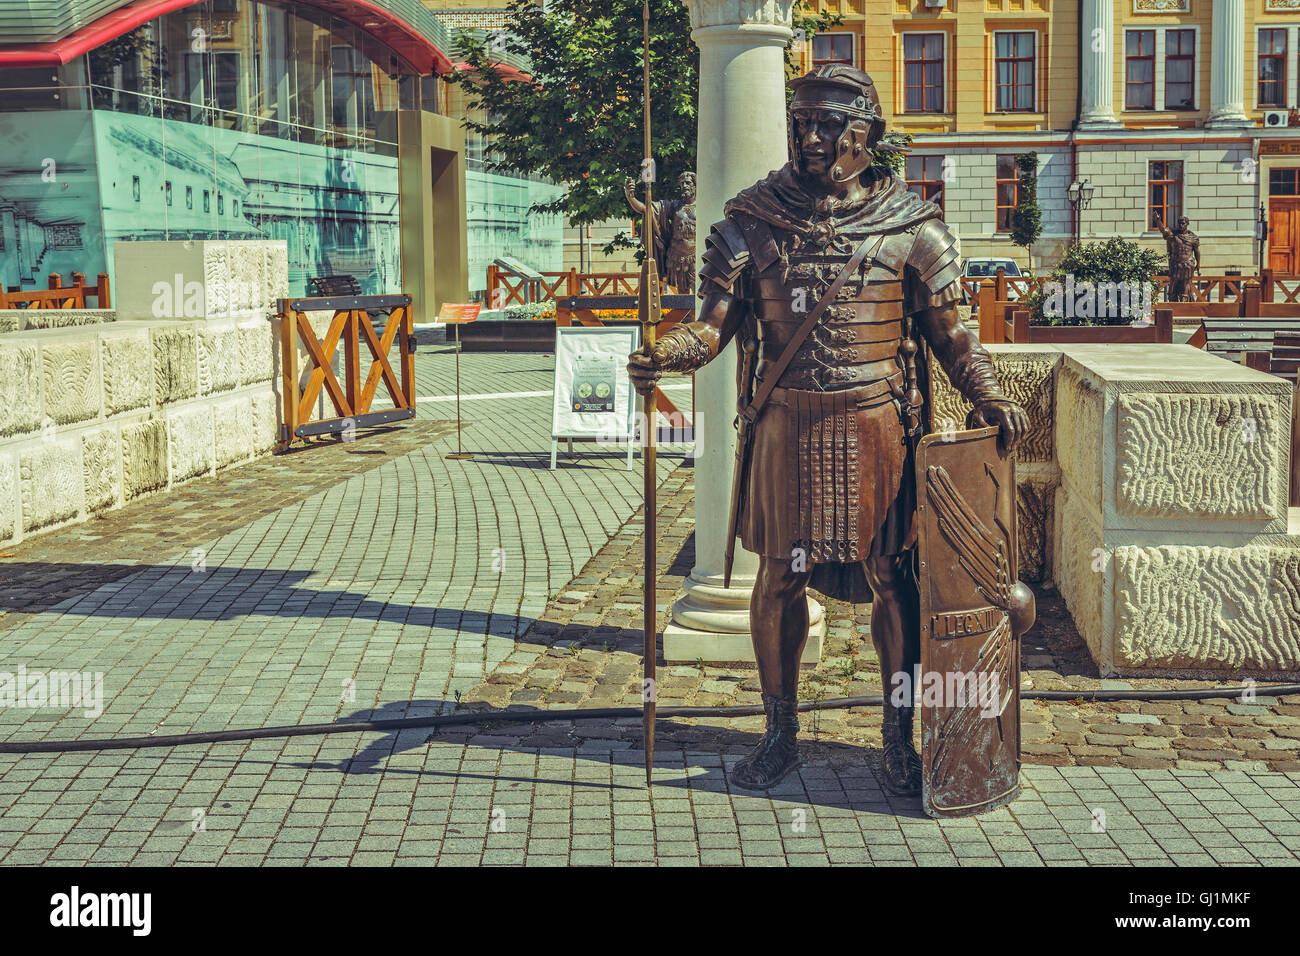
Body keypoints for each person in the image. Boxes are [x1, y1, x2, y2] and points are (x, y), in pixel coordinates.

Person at [628, 65, 1028, 795]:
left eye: (825, 126)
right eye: (799, 123)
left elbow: (955, 338)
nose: (808, 138)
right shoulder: (748, 222)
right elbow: (712, 330)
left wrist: (990, 395)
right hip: (786, 427)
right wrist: (665, 354)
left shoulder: (915, 229)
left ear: (864, 135)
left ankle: (898, 737)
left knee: (893, 578)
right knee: (779, 576)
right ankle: (780, 733)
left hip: (880, 428)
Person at [625, 171, 697, 294]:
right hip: (677, 257)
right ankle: (686, 314)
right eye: (682, 183)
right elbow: (647, 210)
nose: (684, 186)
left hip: (696, 256)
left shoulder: (704, 205)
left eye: (688, 183)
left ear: (695, 185)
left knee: (700, 295)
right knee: (682, 298)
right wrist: (630, 197)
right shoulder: (675, 206)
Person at [1154, 214, 1200, 303]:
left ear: (1187, 224)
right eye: (1179, 223)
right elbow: (1163, 230)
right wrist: (1158, 220)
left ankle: (1184, 303)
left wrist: (1198, 264)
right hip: (1176, 264)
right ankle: (1172, 301)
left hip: (1188, 264)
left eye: (1183, 223)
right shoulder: (1173, 235)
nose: (1180, 225)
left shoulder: (1193, 238)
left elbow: (1196, 251)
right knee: (1173, 283)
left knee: (1186, 283)